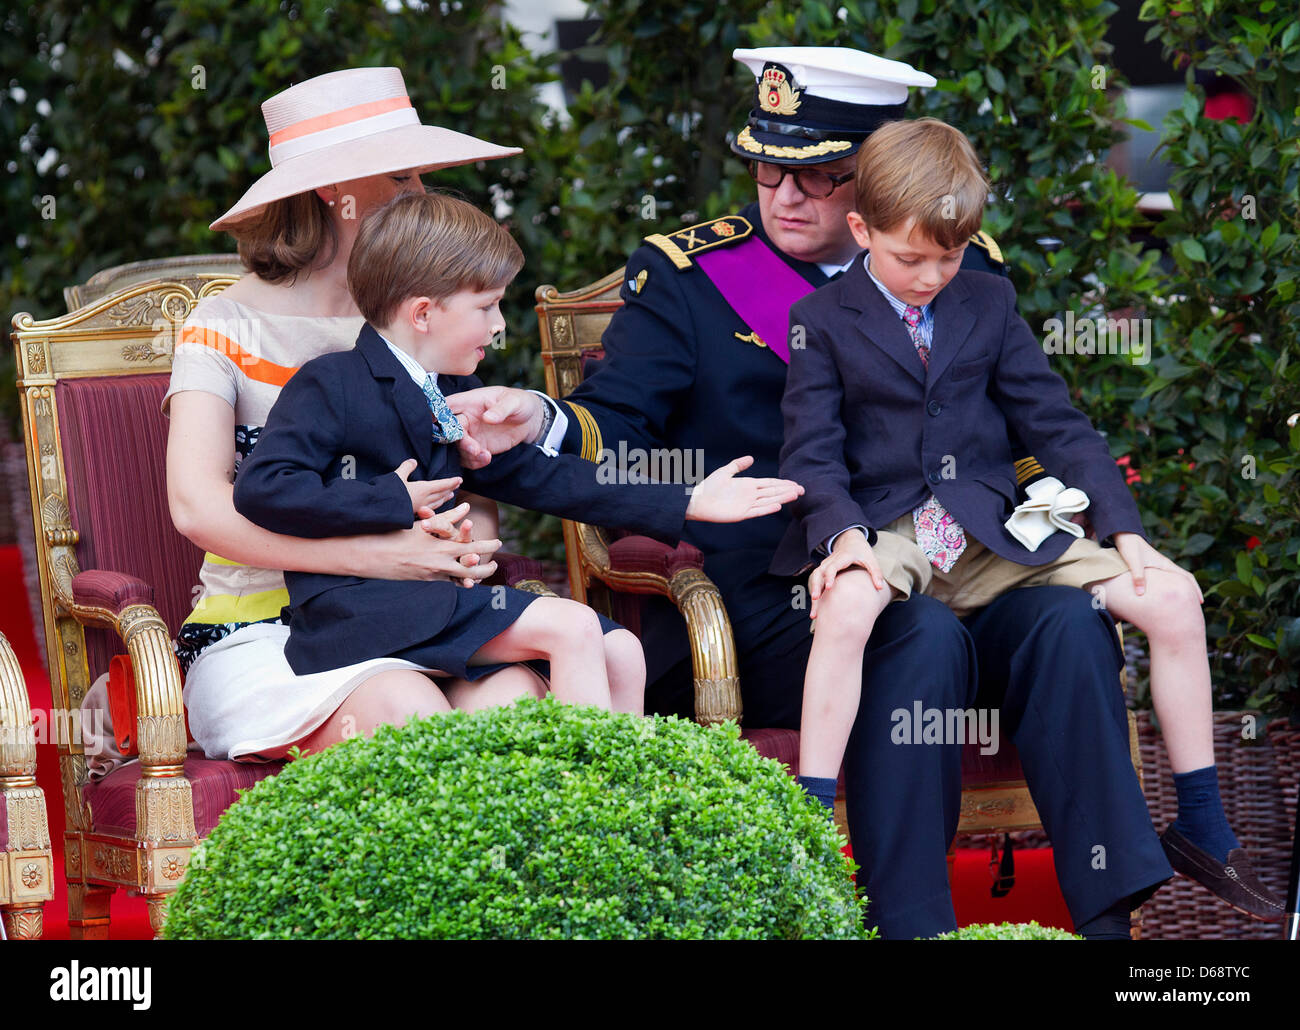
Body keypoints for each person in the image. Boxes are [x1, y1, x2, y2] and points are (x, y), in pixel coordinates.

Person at [447, 46, 1175, 939]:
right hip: (777, 596)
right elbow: (615, 431)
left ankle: (1111, 928)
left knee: (1067, 625)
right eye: (766, 168)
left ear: (876, 189)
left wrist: (1070, 535)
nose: (784, 196)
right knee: (917, 634)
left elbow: (1023, 436)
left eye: (820, 177)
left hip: (957, 566)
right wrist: (537, 418)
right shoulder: (691, 278)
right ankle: (909, 927)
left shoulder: (957, 263)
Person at [773, 117, 1281, 921]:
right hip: (894, 531)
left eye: (951, 254)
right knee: (846, 605)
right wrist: (840, 541)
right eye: (912, 257)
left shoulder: (989, 296)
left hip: (995, 537)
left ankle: (1202, 823)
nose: (933, 274)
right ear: (863, 230)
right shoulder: (823, 318)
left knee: (1174, 597)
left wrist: (1126, 533)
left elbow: (1057, 425)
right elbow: (812, 452)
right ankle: (800, 815)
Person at [231, 190, 800, 713]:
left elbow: (548, 479)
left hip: (433, 604)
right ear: (423, 312)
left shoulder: (451, 393)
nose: (500, 325)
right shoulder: (329, 384)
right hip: (353, 612)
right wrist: (390, 498)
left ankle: (622, 808)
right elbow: (263, 488)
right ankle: (581, 818)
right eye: (487, 308)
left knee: (623, 649)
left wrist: (689, 500)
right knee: (573, 629)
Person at [165, 66, 551, 764]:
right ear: (330, 191)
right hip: (259, 634)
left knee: (515, 699)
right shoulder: (224, 325)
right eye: (402, 179)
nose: (422, 196)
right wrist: (376, 555)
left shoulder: (420, 319)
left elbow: (469, 489)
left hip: (410, 616)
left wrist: (455, 548)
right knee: (409, 713)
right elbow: (197, 507)